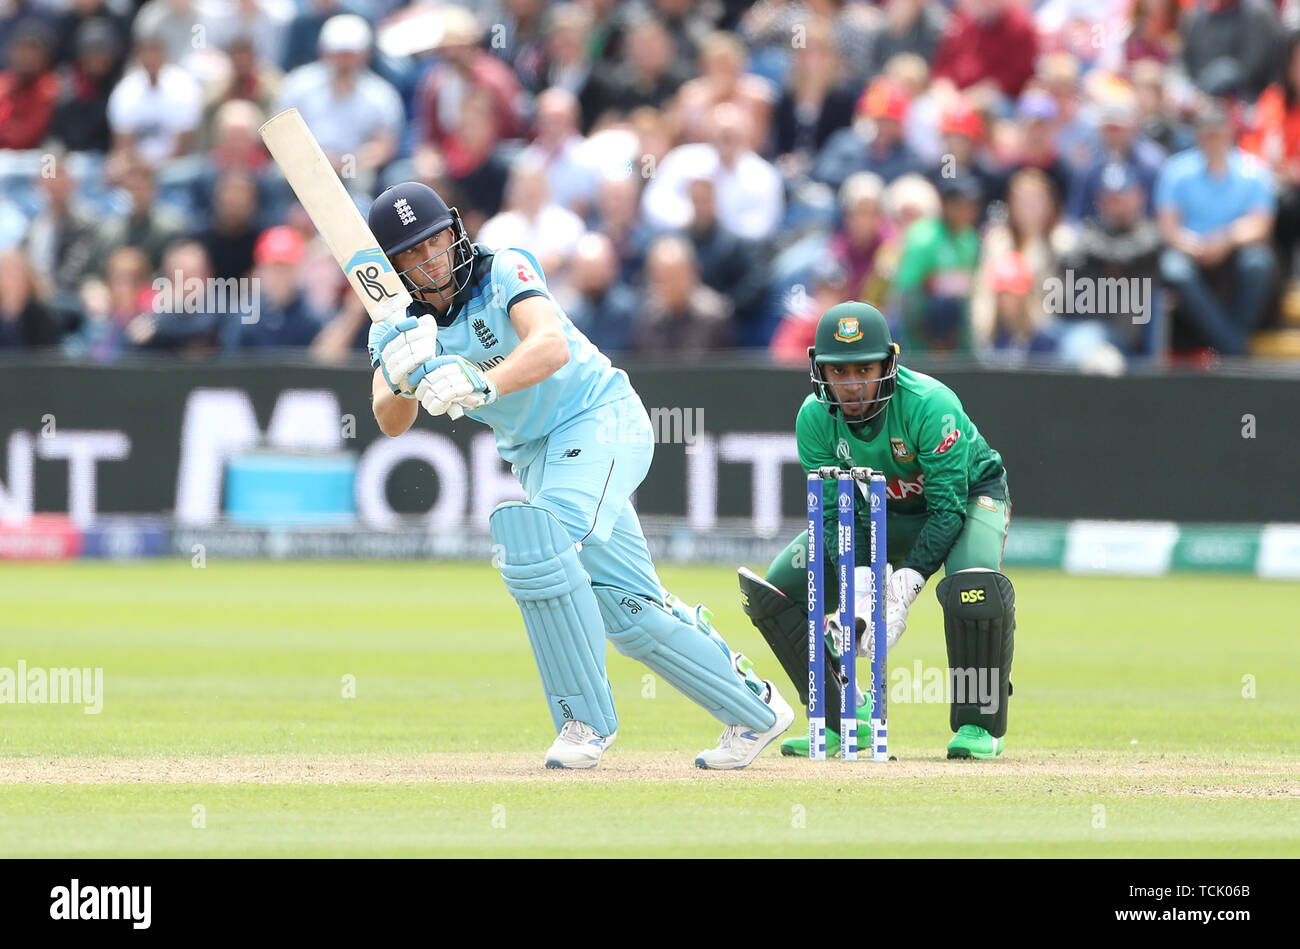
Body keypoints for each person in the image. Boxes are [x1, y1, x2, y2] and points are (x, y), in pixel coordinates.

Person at [364, 182, 794, 770]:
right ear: (393, 268)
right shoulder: (394, 320)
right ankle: (755, 710)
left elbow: (549, 345)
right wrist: (402, 374)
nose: (429, 260)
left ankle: (584, 724)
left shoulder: (504, 268)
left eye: (435, 242)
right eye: (410, 255)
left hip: (600, 421)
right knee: (628, 610)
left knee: (541, 548)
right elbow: (390, 420)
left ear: (455, 232)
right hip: (536, 453)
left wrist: (482, 381)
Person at [738, 302, 1016, 760]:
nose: (851, 385)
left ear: (889, 363)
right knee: (779, 592)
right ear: (819, 370)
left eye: (864, 369)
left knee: (973, 588)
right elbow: (830, 514)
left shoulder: (931, 405)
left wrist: (899, 591)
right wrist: (860, 592)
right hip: (882, 508)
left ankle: (978, 723)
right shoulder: (814, 418)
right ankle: (841, 717)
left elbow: (946, 511)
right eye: (838, 371)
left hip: (966, 499)